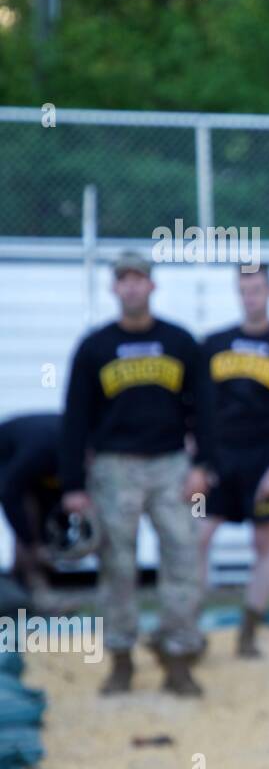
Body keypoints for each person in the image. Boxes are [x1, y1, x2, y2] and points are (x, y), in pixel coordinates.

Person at [60, 251, 213, 697]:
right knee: (117, 566)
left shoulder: (181, 342)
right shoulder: (94, 347)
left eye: (138, 279)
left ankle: (179, 656)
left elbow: (204, 410)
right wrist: (73, 486)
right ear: (114, 288)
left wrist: (204, 465)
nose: (131, 286)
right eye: (123, 279)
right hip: (113, 468)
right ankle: (121, 659)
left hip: (170, 465)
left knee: (183, 559)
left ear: (152, 286)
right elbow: (74, 419)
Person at [198, 265, 269, 658]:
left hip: (265, 462)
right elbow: (192, 405)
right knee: (198, 538)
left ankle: (248, 632)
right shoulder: (213, 344)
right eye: (244, 289)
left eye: (257, 289)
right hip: (218, 461)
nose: (250, 297)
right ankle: (188, 628)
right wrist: (196, 458)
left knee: (264, 543)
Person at [0, 413, 62, 594]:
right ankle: (30, 586)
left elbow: (56, 501)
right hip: (9, 454)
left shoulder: (76, 457)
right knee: (27, 517)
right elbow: (10, 494)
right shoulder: (39, 451)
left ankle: (22, 590)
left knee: (40, 520)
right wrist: (32, 542)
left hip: (38, 462)